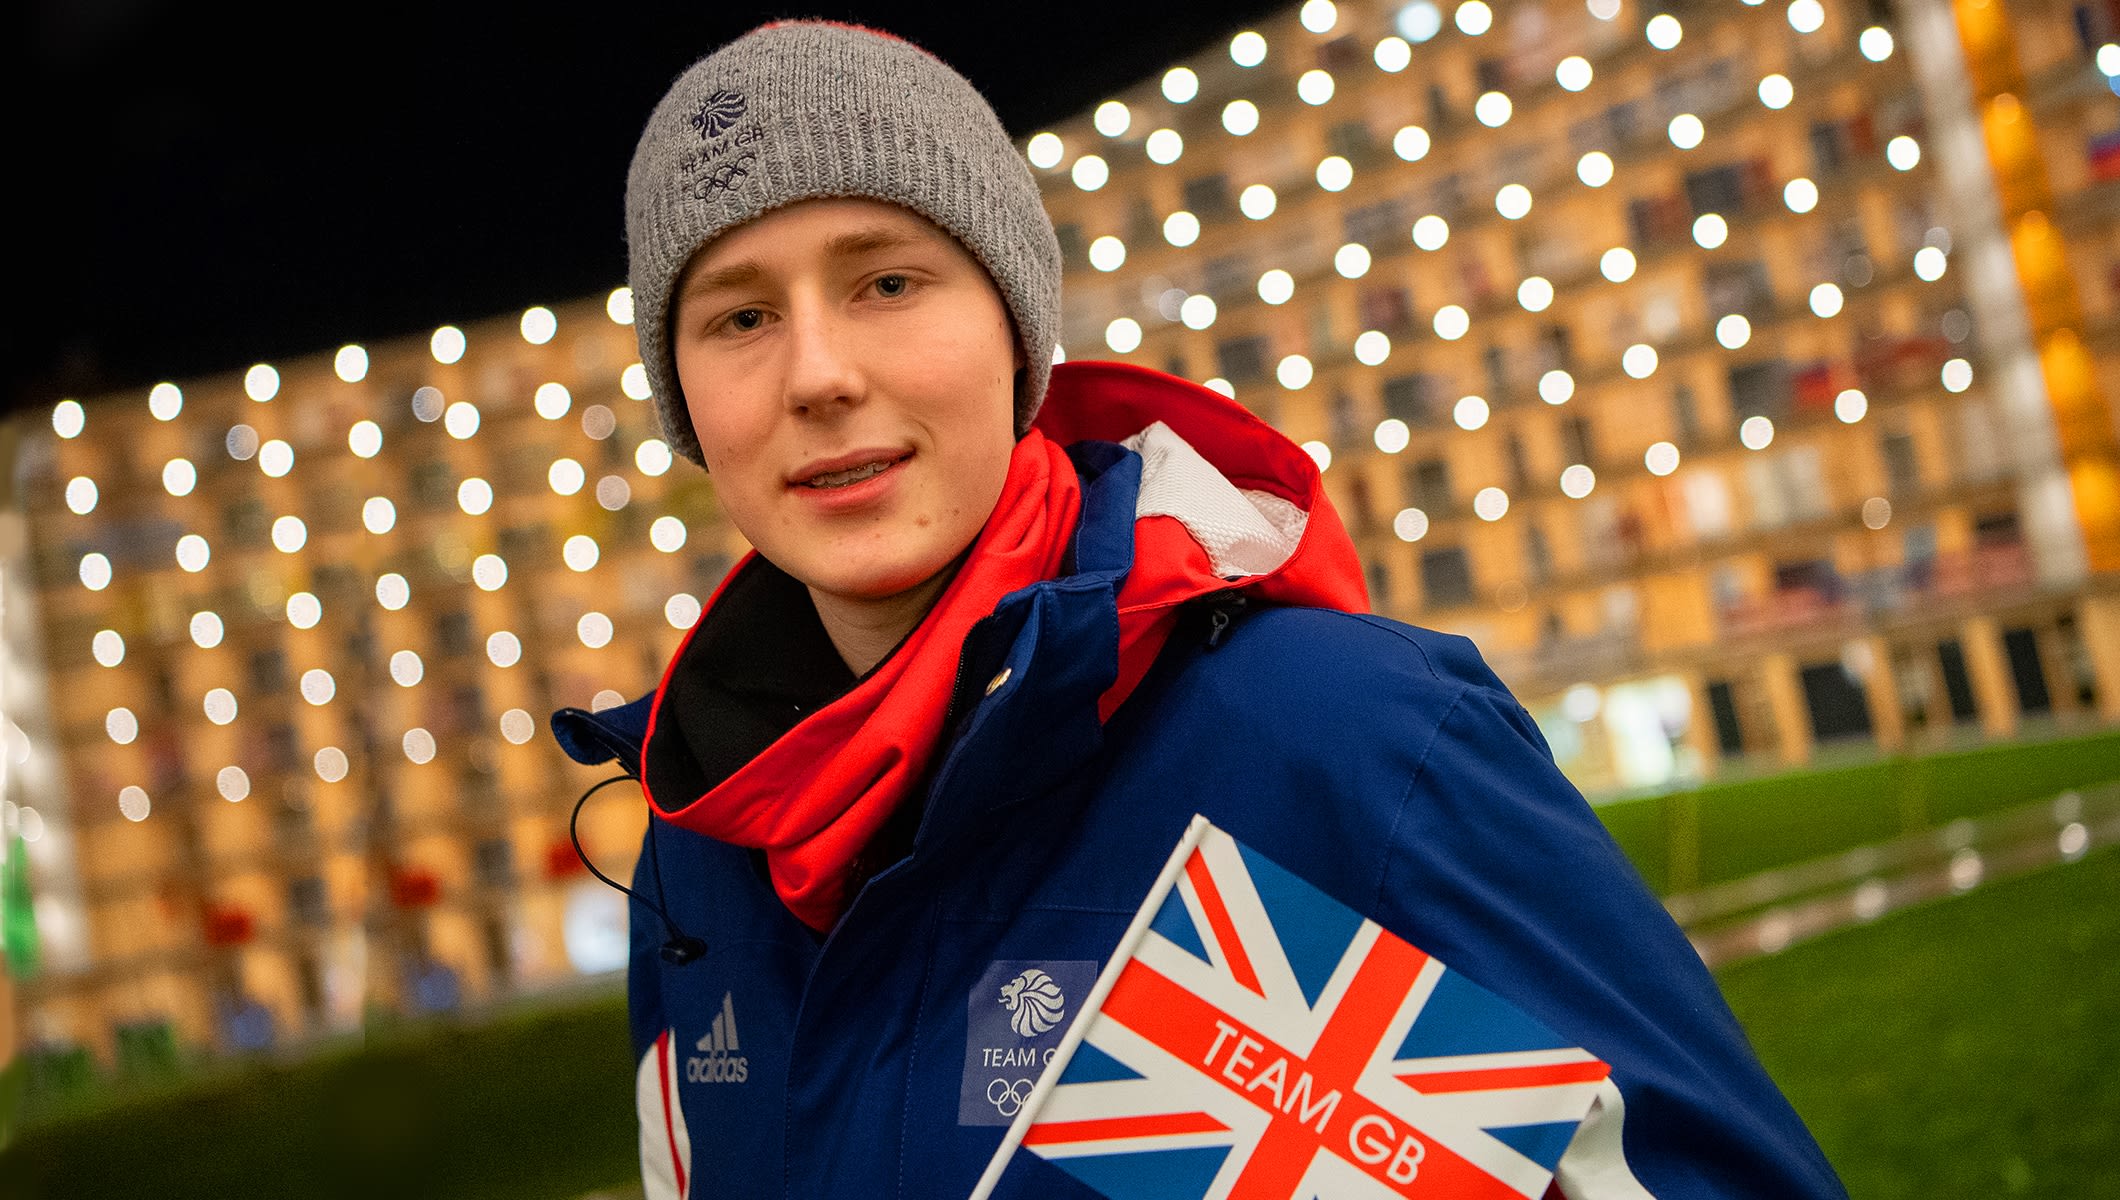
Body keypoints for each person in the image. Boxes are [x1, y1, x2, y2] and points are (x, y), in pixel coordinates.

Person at [550, 20, 1847, 1200]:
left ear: (1017, 331)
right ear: (685, 404)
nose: (818, 373)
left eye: (887, 281)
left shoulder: (1349, 737)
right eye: (740, 316)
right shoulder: (694, 852)